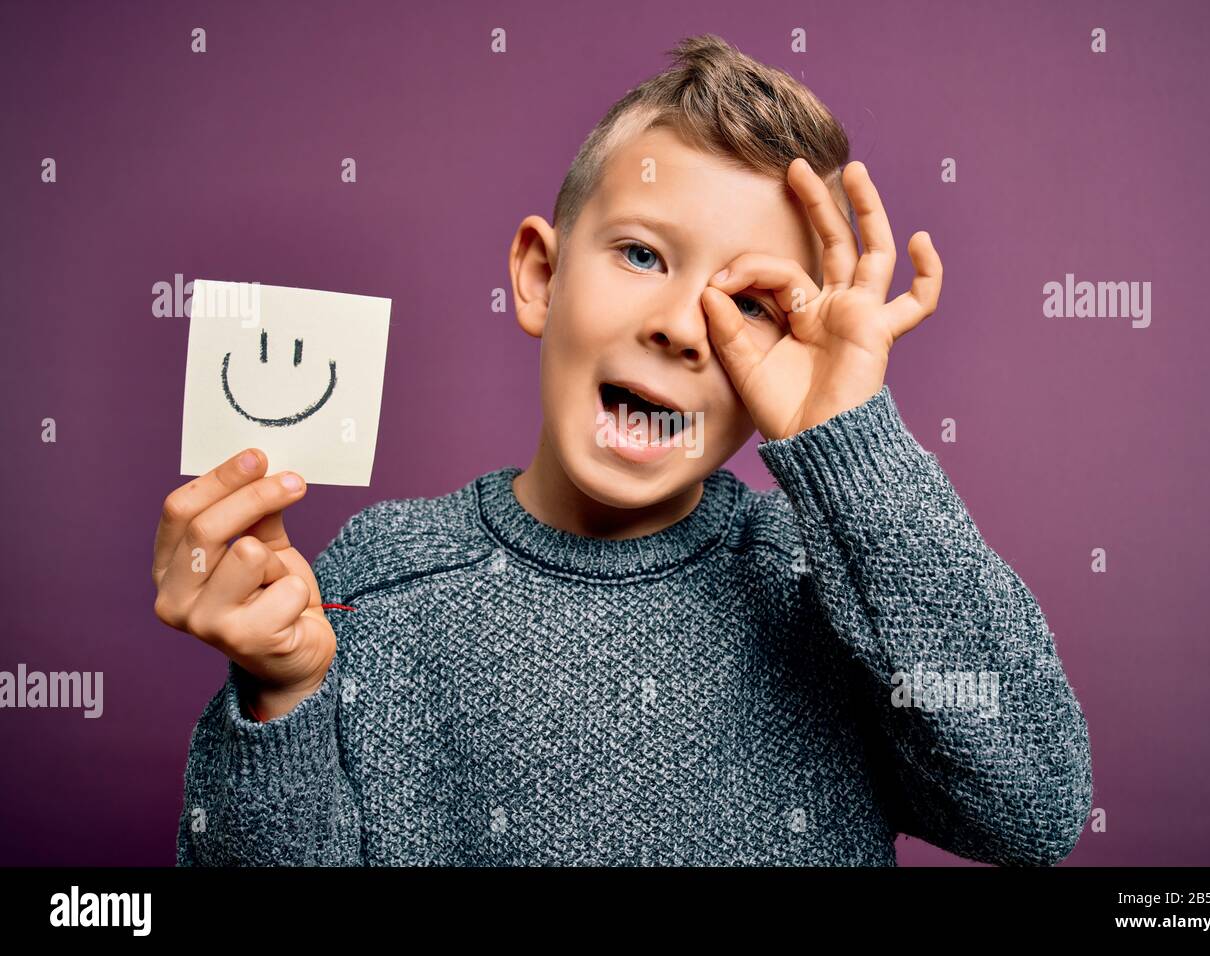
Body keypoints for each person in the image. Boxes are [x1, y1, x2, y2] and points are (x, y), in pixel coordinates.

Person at [155, 33, 1092, 866]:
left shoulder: (828, 584)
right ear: (540, 275)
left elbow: (1035, 808)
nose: (685, 329)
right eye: (643, 255)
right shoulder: (377, 579)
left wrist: (852, 443)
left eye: (752, 304)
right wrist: (282, 697)